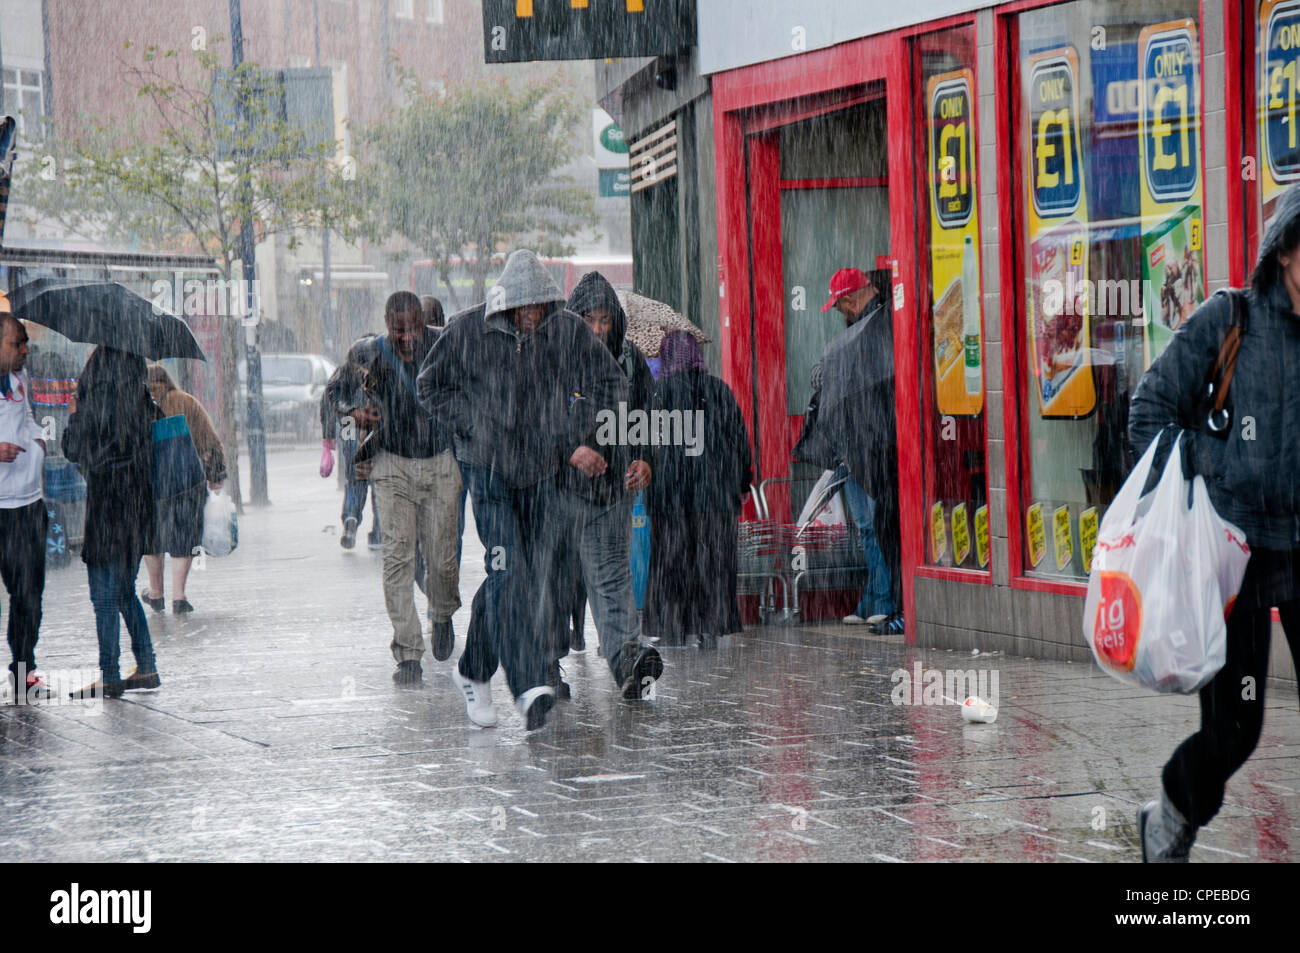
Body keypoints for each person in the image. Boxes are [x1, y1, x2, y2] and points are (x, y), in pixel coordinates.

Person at [1128, 182, 1300, 862]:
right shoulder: (1231, 321)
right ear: (1286, 250)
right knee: (1237, 727)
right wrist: (1218, 465)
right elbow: (1147, 411)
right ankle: (1171, 814)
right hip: (1237, 563)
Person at [417, 249, 627, 730]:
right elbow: (429, 385)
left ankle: (472, 669)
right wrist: (471, 426)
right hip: (486, 471)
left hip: (539, 472)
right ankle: (531, 684)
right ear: (505, 303)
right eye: (525, 307)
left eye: (540, 306)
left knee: (516, 573)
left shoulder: (567, 331)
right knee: (507, 564)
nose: (533, 315)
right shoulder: (468, 330)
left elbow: (611, 384)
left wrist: (575, 436)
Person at [545, 271, 662, 698]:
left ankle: (627, 659)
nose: (596, 329)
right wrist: (569, 451)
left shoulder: (630, 361)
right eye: (588, 319)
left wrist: (646, 459)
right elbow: (537, 420)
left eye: (604, 320)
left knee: (613, 578)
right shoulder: (554, 358)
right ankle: (546, 667)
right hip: (560, 493)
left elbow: (650, 417)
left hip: (612, 492)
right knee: (556, 584)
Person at [345, 293, 462, 684]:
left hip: (442, 462)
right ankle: (408, 653)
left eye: (414, 328)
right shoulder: (368, 354)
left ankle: (442, 613)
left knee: (443, 559)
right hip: (392, 464)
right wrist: (354, 415)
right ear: (386, 322)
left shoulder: (445, 345)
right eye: (399, 330)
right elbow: (333, 400)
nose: (408, 338)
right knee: (398, 558)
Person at [795, 267, 903, 635]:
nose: (842, 312)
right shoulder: (862, 331)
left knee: (875, 524)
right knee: (867, 527)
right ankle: (875, 596)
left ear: (852, 298)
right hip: (856, 441)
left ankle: (885, 598)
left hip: (869, 440)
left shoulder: (878, 327)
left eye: (842, 304)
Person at [643, 331, 753, 647]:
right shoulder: (719, 390)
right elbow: (740, 442)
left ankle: (673, 629)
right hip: (716, 497)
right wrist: (741, 483)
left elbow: (648, 447)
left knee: (672, 560)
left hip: (670, 497)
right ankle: (710, 628)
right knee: (713, 562)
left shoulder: (659, 394)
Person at [62, 347, 160, 699]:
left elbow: (73, 449)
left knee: (103, 597)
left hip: (106, 507)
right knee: (123, 591)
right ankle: (146, 664)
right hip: (138, 508)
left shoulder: (96, 404)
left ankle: (109, 674)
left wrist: (75, 413)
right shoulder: (143, 401)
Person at [141, 364, 226, 614]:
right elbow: (209, 441)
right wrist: (216, 474)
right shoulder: (187, 402)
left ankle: (156, 593)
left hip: (153, 483)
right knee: (183, 534)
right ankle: (179, 596)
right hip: (187, 480)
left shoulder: (138, 406)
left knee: (152, 537)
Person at [0, 313, 50, 701]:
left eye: (24, 343)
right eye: (17, 343)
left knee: (29, 594)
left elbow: (29, 419)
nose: (24, 350)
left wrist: (37, 441)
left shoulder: (20, 381)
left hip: (28, 505)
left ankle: (24, 668)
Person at [322, 336, 382, 550]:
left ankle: (350, 519)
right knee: (377, 479)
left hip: (348, 424)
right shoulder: (381, 367)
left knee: (354, 476)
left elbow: (328, 396)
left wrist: (330, 431)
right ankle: (378, 532)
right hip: (372, 426)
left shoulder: (344, 370)